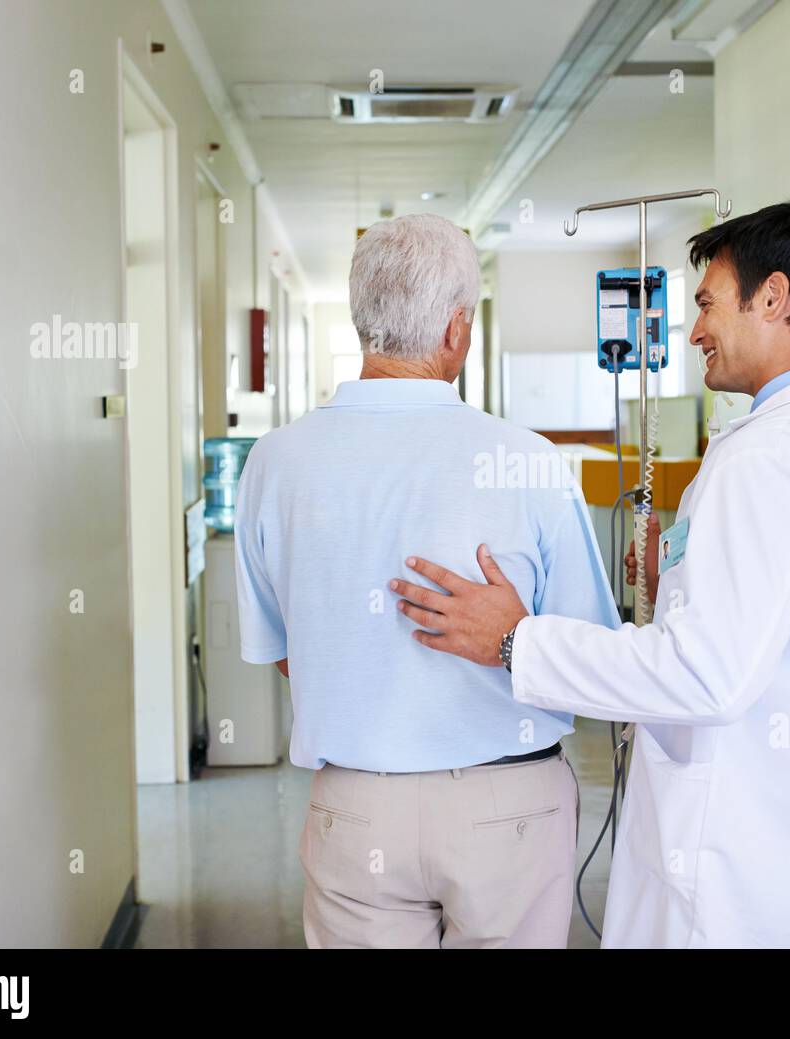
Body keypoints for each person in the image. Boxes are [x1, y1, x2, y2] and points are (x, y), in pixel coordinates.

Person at [390, 202, 790, 948]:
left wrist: (516, 641)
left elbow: (704, 674)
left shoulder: (767, 458)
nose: (693, 332)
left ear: (773, 297)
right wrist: (680, 576)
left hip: (733, 878)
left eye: (707, 304)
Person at [234, 213, 618, 948]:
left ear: (362, 322)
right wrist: (512, 638)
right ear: (456, 329)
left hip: (356, 807)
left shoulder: (274, 462)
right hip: (509, 807)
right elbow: (588, 658)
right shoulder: (529, 461)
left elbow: (287, 652)